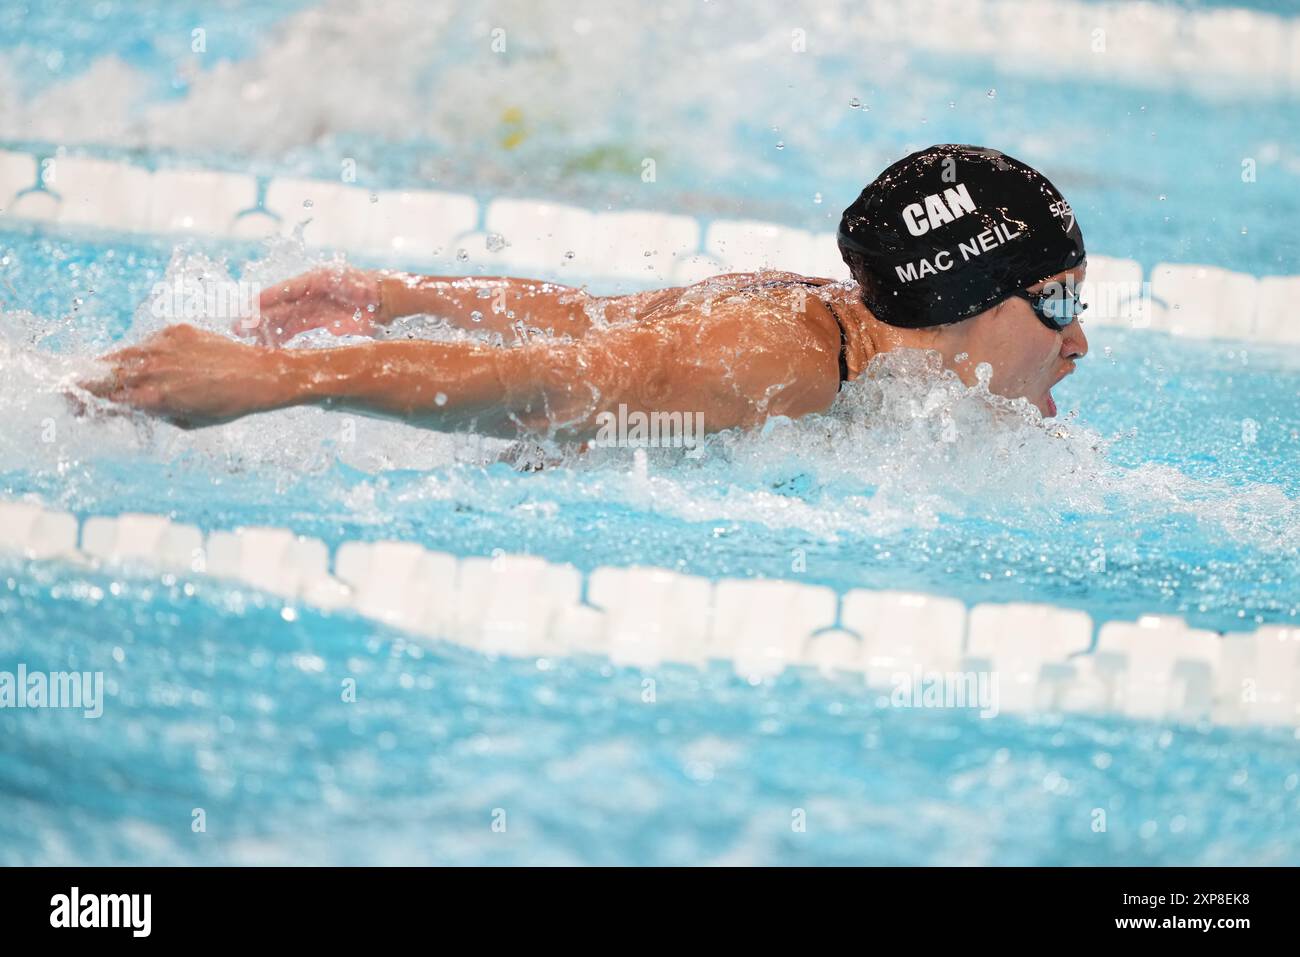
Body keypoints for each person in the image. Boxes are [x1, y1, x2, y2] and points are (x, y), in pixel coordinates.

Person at [83, 144, 1088, 437]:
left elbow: (591, 316)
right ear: (962, 302)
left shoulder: (820, 315)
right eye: (1058, 306)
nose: (1076, 344)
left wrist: (399, 292)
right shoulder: (780, 359)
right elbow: (549, 383)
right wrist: (269, 382)